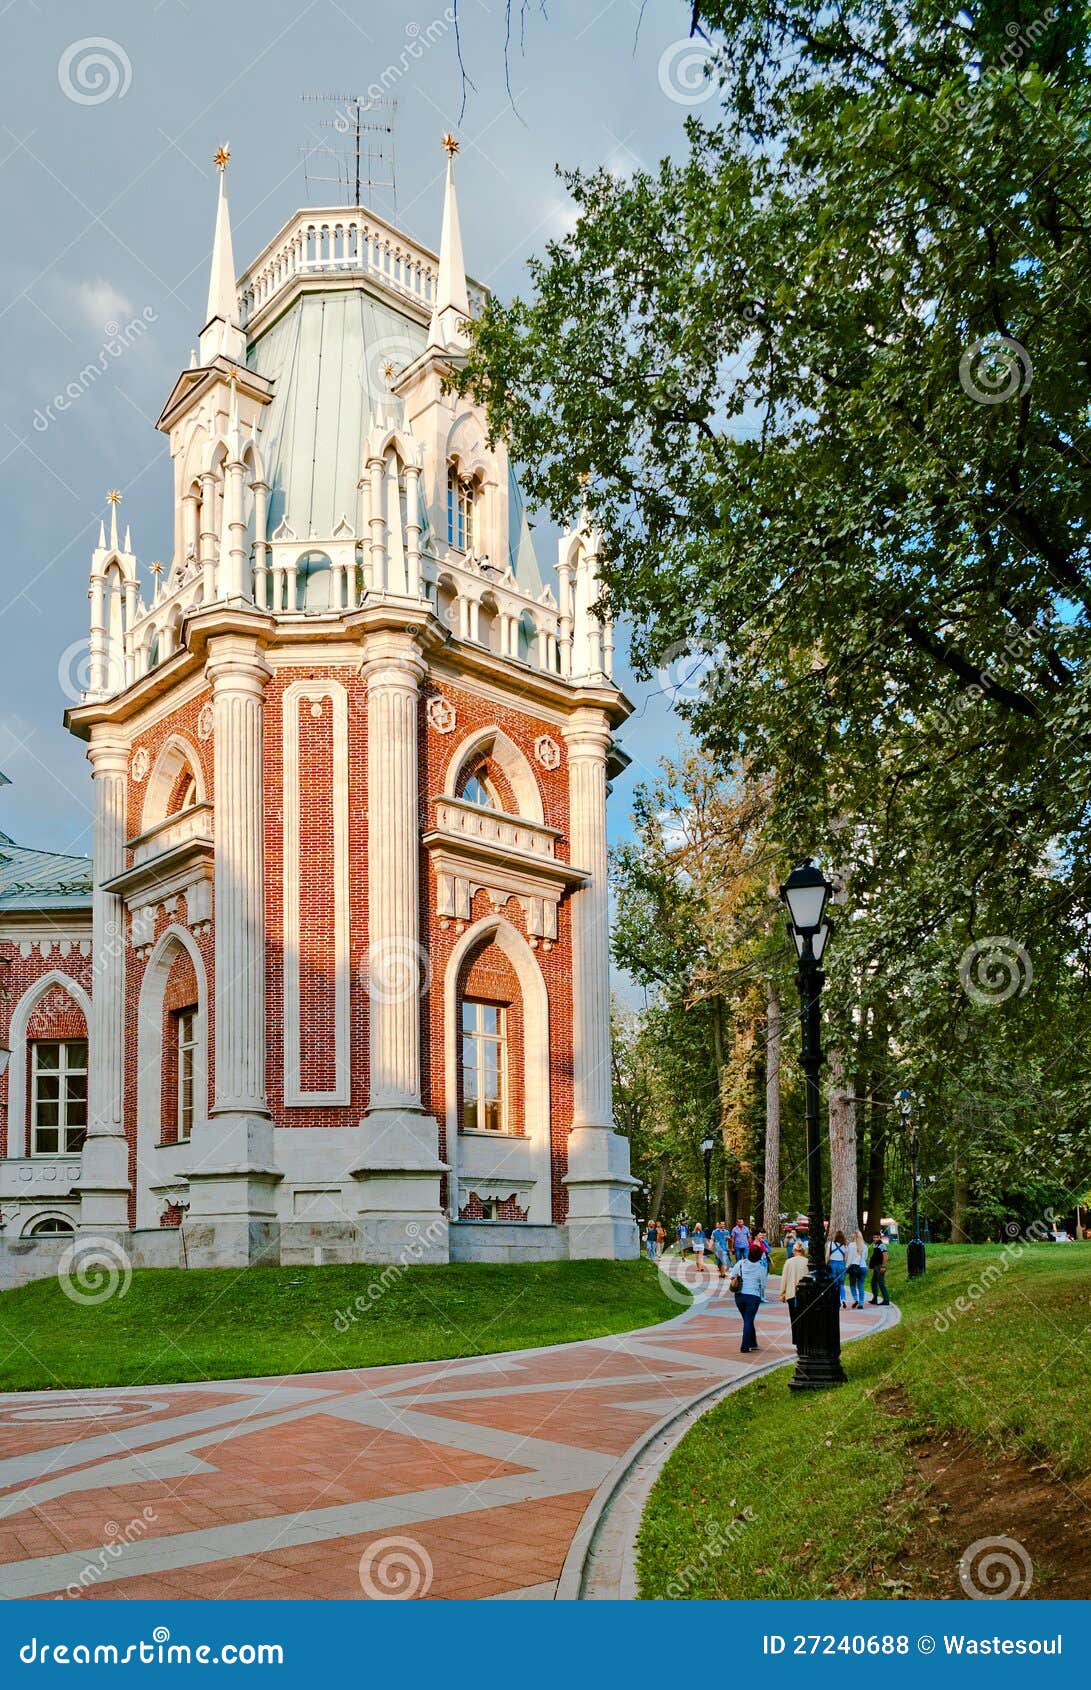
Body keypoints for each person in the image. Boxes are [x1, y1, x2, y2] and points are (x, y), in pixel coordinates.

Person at [730, 1242, 768, 1353]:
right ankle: (745, 1346)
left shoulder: (740, 1263)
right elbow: (763, 1284)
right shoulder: (761, 1267)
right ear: (759, 1256)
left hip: (739, 1296)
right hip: (753, 1296)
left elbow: (732, 1276)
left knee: (747, 1319)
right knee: (748, 1320)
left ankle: (753, 1342)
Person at [779, 1240, 809, 1342]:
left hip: (791, 1293)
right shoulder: (807, 1261)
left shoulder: (789, 1262)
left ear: (794, 1250)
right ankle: (804, 1338)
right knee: (804, 1317)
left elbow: (784, 1278)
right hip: (804, 1294)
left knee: (794, 1318)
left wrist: (782, 1293)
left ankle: (796, 1340)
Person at [845, 1229, 868, 1308]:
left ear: (854, 1236)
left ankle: (855, 1299)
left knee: (852, 1285)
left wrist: (846, 1267)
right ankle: (861, 1303)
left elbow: (849, 1258)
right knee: (861, 1285)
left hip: (854, 1267)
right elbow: (865, 1257)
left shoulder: (851, 1245)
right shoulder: (864, 1246)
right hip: (863, 1267)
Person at [826, 1229, 848, 1308]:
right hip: (841, 1264)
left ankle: (836, 1301)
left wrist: (826, 1264)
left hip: (832, 1264)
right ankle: (843, 1299)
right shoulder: (845, 1246)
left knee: (834, 1284)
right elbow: (845, 1258)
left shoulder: (831, 1244)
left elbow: (827, 1255)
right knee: (841, 1284)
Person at [869, 1233, 891, 1306]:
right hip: (875, 1267)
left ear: (880, 1237)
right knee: (873, 1283)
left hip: (880, 1266)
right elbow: (874, 1256)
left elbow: (885, 1255)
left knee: (881, 1283)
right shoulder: (875, 1245)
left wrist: (883, 1266)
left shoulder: (881, 1245)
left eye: (877, 1237)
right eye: (874, 1237)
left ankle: (886, 1300)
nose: (875, 1239)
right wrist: (871, 1266)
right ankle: (875, 1299)